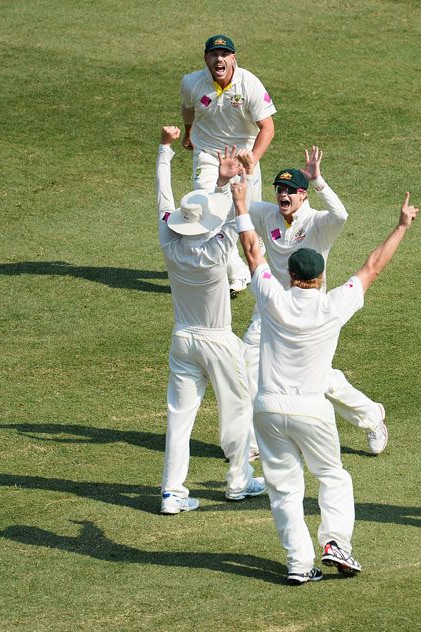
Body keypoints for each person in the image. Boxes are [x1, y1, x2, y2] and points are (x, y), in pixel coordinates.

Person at [232, 168, 419, 584]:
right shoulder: (333, 305)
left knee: (284, 492)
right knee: (333, 476)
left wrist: (241, 205)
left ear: (291, 276)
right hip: (311, 411)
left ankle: (299, 564)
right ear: (319, 278)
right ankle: (335, 542)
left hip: (267, 410)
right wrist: (401, 226)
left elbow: (252, 252)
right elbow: (372, 267)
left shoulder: (271, 299)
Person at [242, 148, 388, 458]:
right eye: (279, 189)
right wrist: (235, 177)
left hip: (310, 310)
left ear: (303, 195)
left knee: (320, 379)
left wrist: (319, 180)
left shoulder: (318, 223)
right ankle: (255, 443)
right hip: (271, 307)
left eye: (290, 190)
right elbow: (239, 206)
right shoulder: (267, 214)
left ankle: (371, 415)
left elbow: (341, 215)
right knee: (248, 365)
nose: (283, 194)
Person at [155, 126, 265, 514]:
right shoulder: (218, 250)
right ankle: (238, 481)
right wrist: (238, 178)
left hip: (182, 339)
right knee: (238, 408)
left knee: (179, 419)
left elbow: (163, 198)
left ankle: (172, 493)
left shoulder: (169, 243)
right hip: (218, 340)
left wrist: (165, 149)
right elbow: (240, 216)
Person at [180, 34, 276, 296]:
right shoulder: (192, 82)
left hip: (244, 156)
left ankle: (256, 257)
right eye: (213, 54)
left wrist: (251, 159)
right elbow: (188, 108)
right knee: (206, 210)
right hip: (208, 154)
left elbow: (268, 128)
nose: (219, 59)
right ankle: (237, 273)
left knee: (247, 214)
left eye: (224, 54)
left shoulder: (249, 84)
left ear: (233, 57)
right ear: (206, 58)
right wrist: (188, 133)